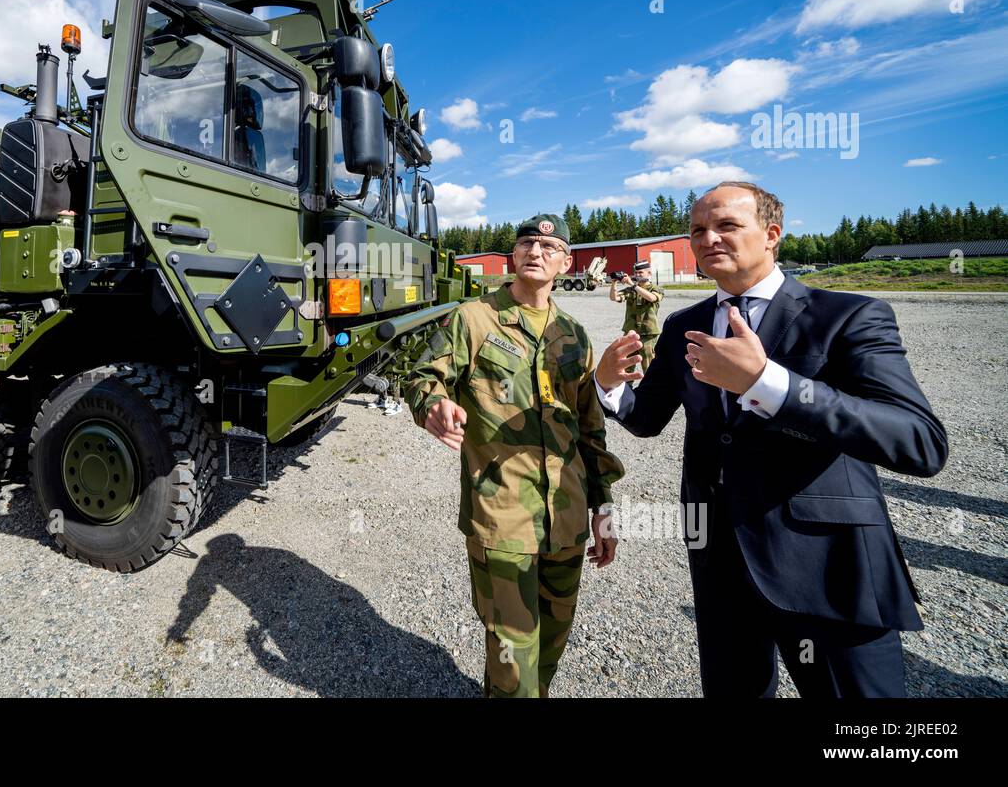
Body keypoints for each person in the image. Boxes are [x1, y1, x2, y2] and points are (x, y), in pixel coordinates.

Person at [595, 182, 947, 697]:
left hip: (823, 564)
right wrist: (608, 383)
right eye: (697, 230)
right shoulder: (683, 326)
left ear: (772, 235)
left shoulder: (847, 316)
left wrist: (769, 384)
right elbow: (647, 419)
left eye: (727, 226)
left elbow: (919, 441)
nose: (708, 238)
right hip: (719, 558)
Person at [405, 214, 624, 697]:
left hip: (566, 519)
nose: (536, 252)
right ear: (513, 255)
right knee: (512, 650)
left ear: (567, 262)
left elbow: (591, 427)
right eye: (527, 243)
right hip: (503, 518)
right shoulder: (473, 319)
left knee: (551, 643)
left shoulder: (573, 333)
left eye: (549, 247)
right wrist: (433, 406)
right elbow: (422, 376)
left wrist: (602, 507)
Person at [609, 259, 664, 371]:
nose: (637, 275)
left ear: (649, 273)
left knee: (648, 366)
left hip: (648, 333)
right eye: (636, 273)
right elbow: (614, 298)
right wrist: (614, 282)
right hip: (630, 332)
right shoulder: (631, 290)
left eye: (641, 273)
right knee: (627, 365)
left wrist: (633, 285)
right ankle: (627, 388)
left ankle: (649, 388)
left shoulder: (656, 289)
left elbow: (651, 298)